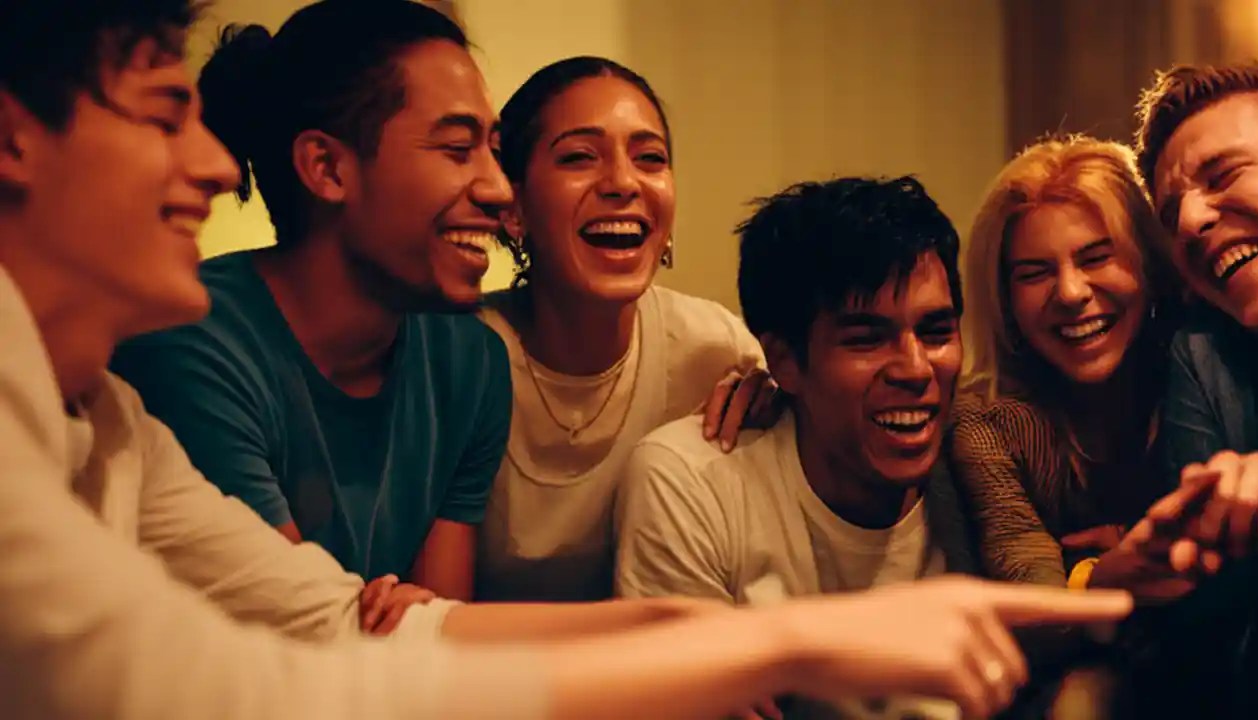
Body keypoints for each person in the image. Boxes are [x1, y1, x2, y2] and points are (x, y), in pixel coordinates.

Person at [0, 1, 1141, 718]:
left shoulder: (108, 418)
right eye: (161, 112)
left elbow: (358, 623)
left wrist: (756, 638)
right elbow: (262, 680)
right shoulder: (175, 360)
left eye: (649, 154)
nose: (212, 166)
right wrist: (791, 640)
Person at [110, 0, 513, 598]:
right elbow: (293, 624)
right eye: (457, 149)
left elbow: (440, 631)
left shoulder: (470, 362)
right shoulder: (193, 345)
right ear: (326, 168)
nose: (499, 188)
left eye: (493, 150)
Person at [616, 176, 983, 719]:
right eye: (866, 339)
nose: (915, 368)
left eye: (936, 332)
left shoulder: (983, 468)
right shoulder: (693, 483)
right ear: (782, 361)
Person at [475, 56, 765, 601]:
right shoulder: (457, 353)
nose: (623, 183)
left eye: (650, 158)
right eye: (580, 157)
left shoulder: (716, 352)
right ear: (515, 209)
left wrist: (783, 409)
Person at [951, 136, 1189, 600]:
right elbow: (1036, 605)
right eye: (1034, 273)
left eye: (1097, 257)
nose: (1070, 292)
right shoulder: (988, 421)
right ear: (1005, 300)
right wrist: (1102, 573)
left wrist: (1086, 572)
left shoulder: (1200, 371)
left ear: (1149, 264)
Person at [1130, 58, 1258, 716]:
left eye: (1223, 175)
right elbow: (1199, 631)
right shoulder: (1204, 357)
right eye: (1170, 213)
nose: (1189, 221)